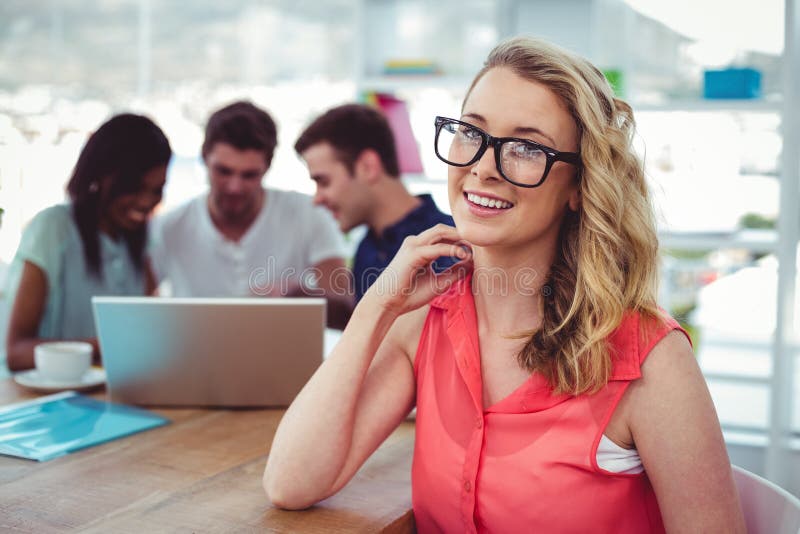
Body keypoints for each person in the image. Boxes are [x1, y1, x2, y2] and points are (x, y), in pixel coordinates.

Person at [263, 37, 746, 533]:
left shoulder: (651, 361)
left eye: (525, 147)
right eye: (469, 133)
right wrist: (377, 307)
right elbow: (291, 482)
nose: (483, 167)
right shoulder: (422, 322)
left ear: (580, 186)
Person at [149, 101, 352, 329]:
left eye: (249, 175)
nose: (234, 187)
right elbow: (141, 308)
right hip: (193, 359)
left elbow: (342, 304)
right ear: (204, 158)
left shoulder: (310, 214)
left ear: (267, 167)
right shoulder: (167, 227)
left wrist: (299, 295)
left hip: (287, 357)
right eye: (223, 171)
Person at [5, 114, 172, 371]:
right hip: (49, 398)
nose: (146, 201)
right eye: (134, 188)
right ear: (102, 175)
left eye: (156, 190)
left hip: (113, 393)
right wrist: (101, 346)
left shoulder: (140, 239)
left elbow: (151, 325)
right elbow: (16, 353)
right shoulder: (54, 227)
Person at [295, 103, 454, 302]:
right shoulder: (366, 251)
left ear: (368, 167)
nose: (317, 199)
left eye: (324, 182)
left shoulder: (450, 246)